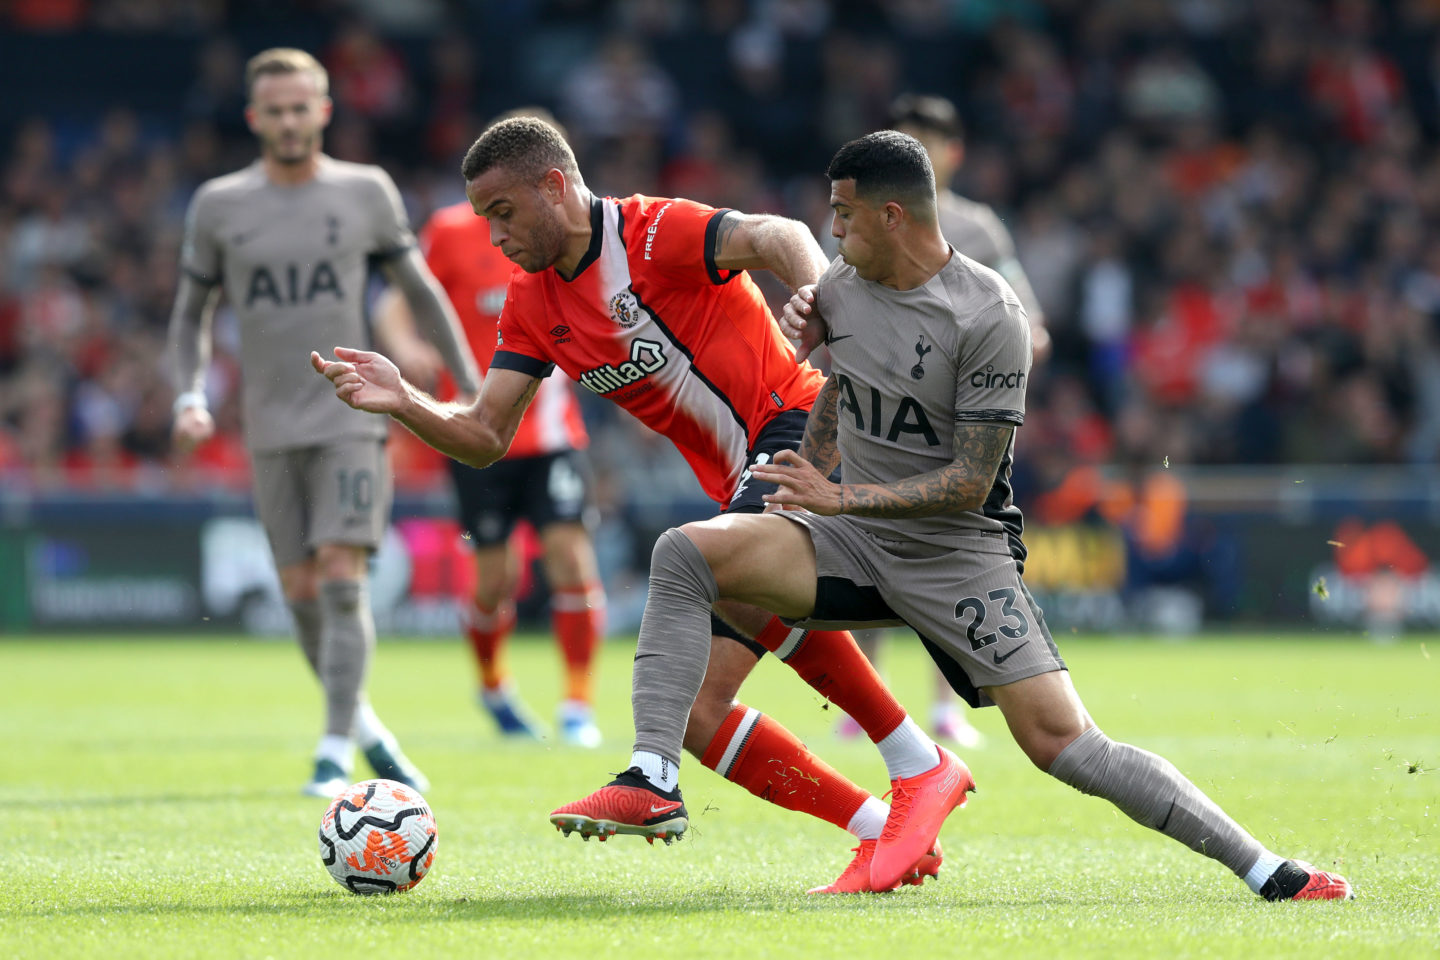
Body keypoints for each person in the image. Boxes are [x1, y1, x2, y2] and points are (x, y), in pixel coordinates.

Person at [556, 129, 1354, 901]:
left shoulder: (989, 316)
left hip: (956, 555)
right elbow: (843, 385)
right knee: (688, 554)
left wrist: (840, 495)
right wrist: (815, 462)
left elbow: (971, 483)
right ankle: (653, 776)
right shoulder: (841, 286)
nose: (831, 230)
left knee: (1066, 747)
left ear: (890, 216)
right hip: (850, 539)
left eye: (843, 213)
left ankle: (1266, 869)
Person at [312, 116, 961, 894]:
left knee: (705, 567)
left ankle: (664, 776)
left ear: (555, 186)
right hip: (740, 476)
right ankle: (889, 816)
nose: (495, 238)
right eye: (485, 220)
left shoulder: (653, 232)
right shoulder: (529, 303)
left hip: (803, 426)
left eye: (505, 213)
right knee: (700, 710)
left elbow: (779, 232)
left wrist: (826, 305)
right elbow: (485, 433)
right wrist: (406, 399)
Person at [168, 48, 482, 799]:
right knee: (301, 591)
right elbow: (190, 313)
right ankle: (367, 726)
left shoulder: (365, 191)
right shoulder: (219, 205)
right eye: (272, 110)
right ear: (253, 118)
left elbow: (423, 290)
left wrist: (470, 386)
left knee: (342, 579)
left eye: (298, 107)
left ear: (323, 110)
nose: (286, 120)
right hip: (269, 427)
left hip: (351, 413)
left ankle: (333, 750)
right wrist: (189, 394)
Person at [374, 110, 604, 746]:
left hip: (552, 434)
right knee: (494, 575)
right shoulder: (451, 231)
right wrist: (403, 345)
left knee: (569, 558)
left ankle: (577, 704)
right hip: (477, 433)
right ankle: (494, 686)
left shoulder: (570, 232)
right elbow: (395, 299)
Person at [837, 93, 1054, 749]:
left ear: (952, 154)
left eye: (927, 145)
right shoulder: (861, 220)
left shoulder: (981, 230)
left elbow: (1032, 326)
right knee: (870, 549)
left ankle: (945, 705)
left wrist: (993, 373)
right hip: (878, 416)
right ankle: (867, 701)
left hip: (955, 424)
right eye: (904, 143)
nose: (917, 155)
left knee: (953, 555)